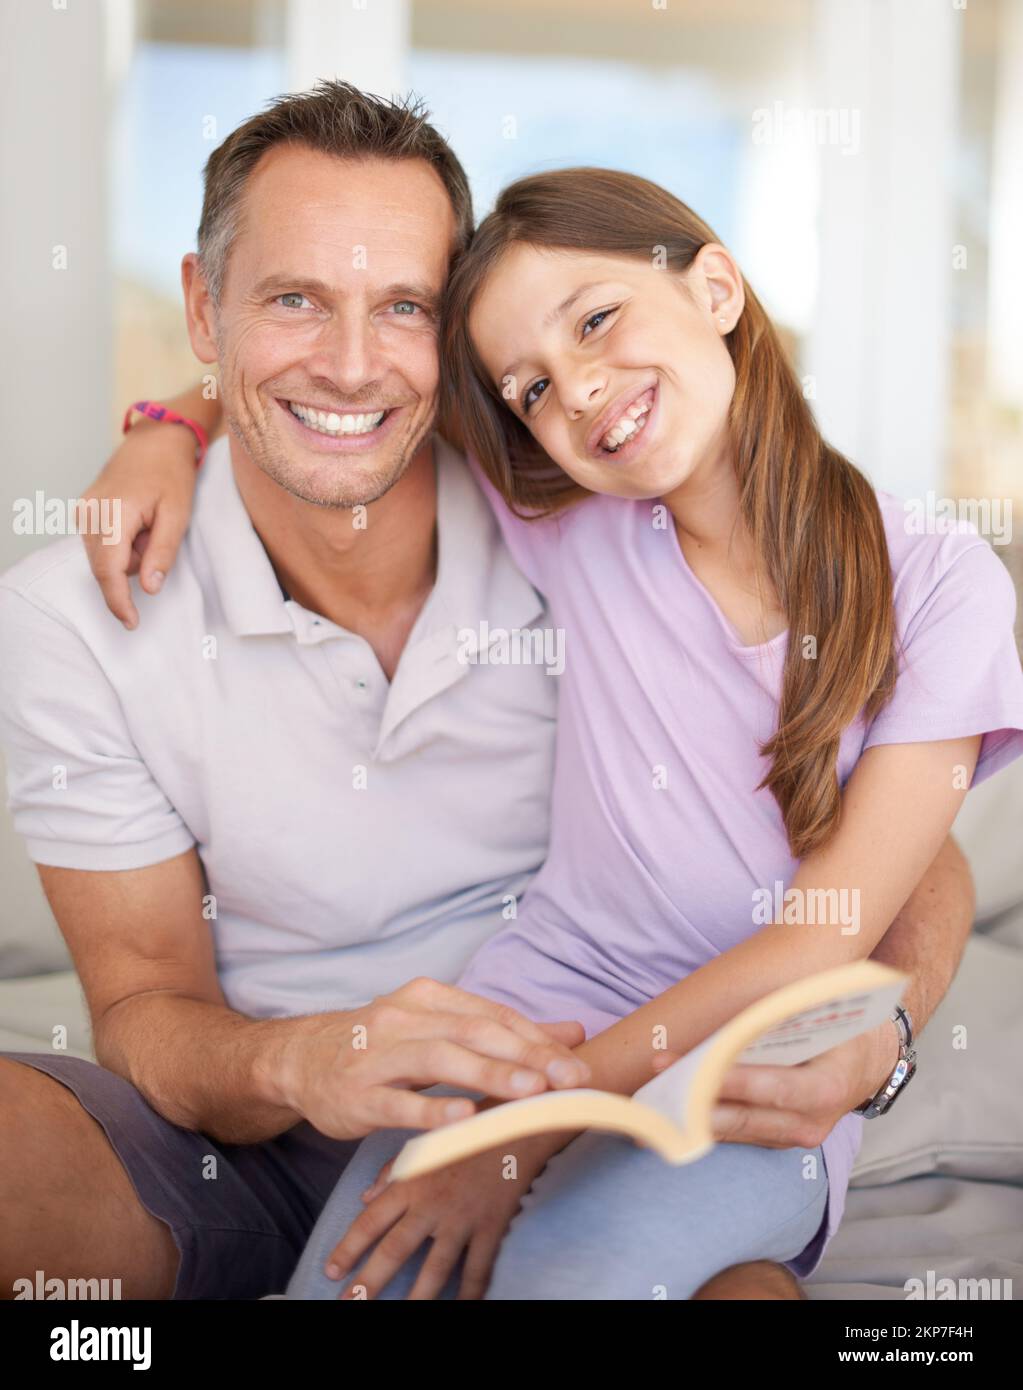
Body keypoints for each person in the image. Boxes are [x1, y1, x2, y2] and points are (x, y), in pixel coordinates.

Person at [0, 85, 977, 1302]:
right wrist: (309, 1064)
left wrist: (874, 1040)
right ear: (206, 309)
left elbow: (887, 853)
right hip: (261, 1115)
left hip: (591, 1076)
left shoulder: (574, 499)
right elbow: (143, 1003)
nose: (352, 363)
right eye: (293, 296)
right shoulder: (75, 609)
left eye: (402, 304)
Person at [281, 167, 1023, 1301]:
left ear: (716, 287)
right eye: (529, 387)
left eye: (597, 319)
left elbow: (821, 941)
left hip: (752, 1061)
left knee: (565, 1280)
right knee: (356, 1279)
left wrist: (524, 1134)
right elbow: (338, 404)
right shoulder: (571, 528)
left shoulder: (940, 583)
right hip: (532, 1017)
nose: (576, 390)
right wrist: (155, 429)